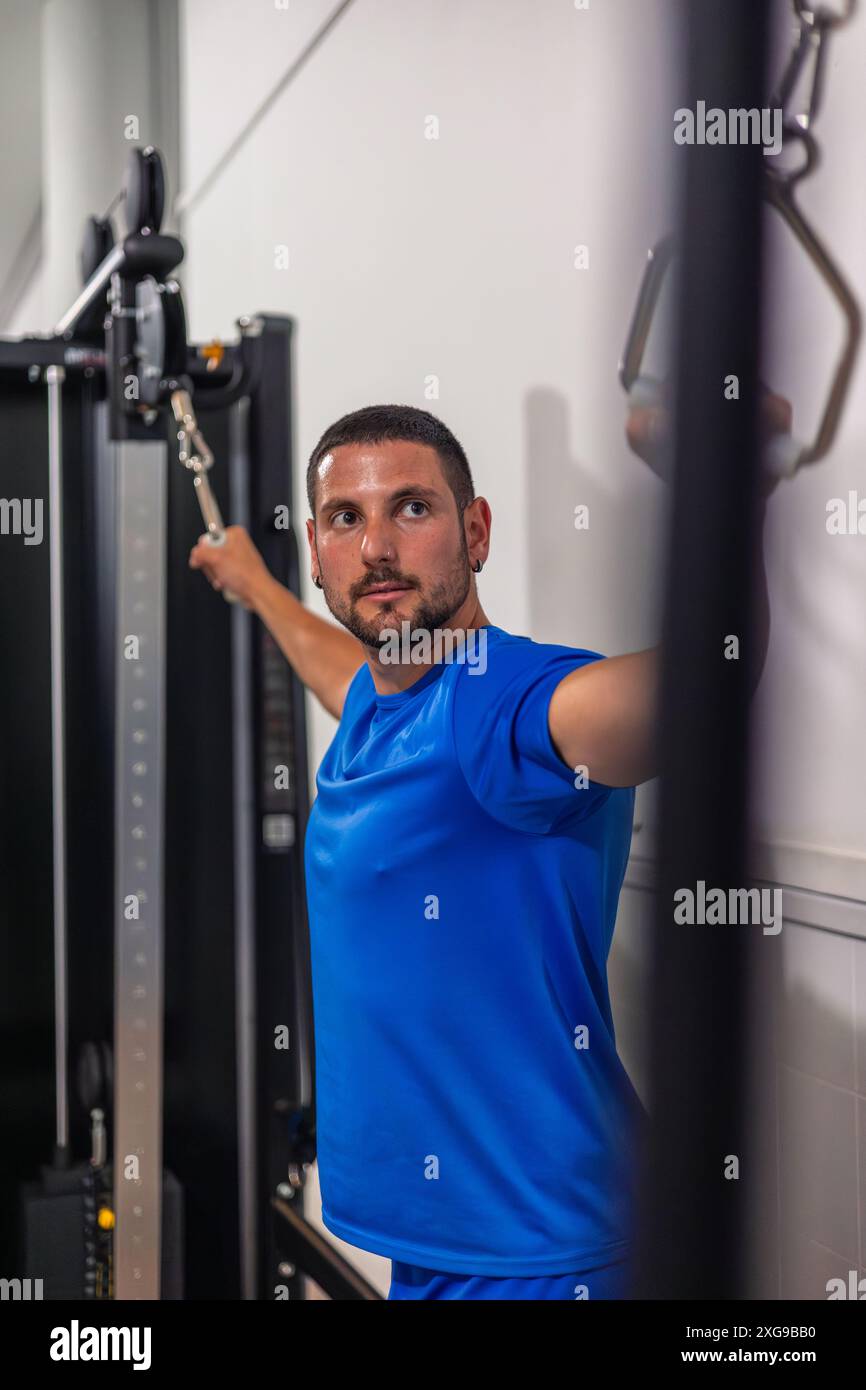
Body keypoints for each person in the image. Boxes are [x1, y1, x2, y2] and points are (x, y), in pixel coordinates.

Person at [189, 398, 785, 1300]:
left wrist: (733, 488)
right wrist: (254, 585)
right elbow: (339, 672)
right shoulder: (384, 706)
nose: (377, 546)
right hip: (443, 1250)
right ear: (317, 551)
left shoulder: (505, 706)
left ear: (476, 531)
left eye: (412, 508)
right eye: (347, 519)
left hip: (545, 1257)